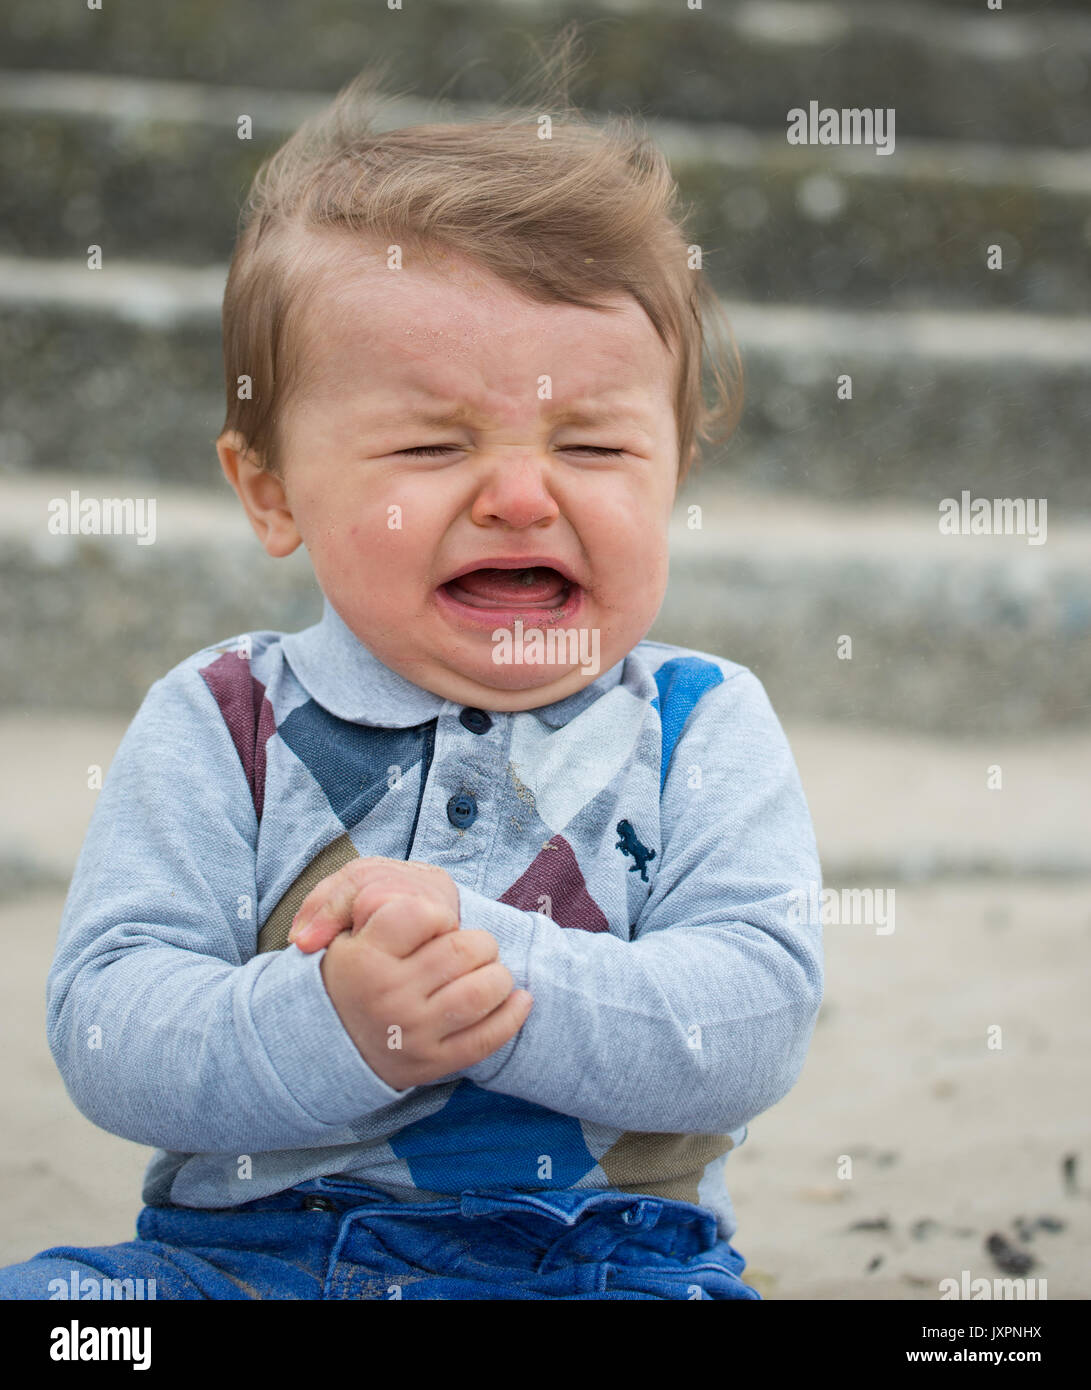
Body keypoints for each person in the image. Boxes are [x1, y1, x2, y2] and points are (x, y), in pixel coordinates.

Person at [1, 51, 822, 1300]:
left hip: (604, 1263)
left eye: (593, 444)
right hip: (249, 1258)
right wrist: (335, 1020)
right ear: (271, 491)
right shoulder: (225, 717)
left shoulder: (697, 723)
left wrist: (497, 967)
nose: (517, 494)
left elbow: (751, 1019)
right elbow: (111, 1027)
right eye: (432, 443)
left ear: (670, 478)